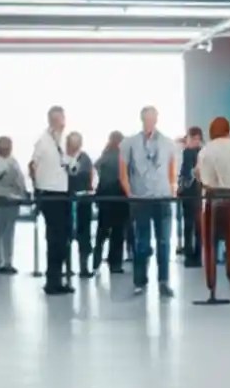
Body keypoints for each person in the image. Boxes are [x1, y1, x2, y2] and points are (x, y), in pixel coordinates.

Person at [120, 106, 178, 298]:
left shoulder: (168, 143)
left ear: (157, 119)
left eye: (152, 119)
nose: (150, 123)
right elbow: (124, 172)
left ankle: (163, 281)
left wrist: (172, 189)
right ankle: (139, 281)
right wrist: (130, 194)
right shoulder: (130, 143)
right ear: (142, 119)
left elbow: (172, 170)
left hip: (162, 198)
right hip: (141, 199)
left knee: (164, 242)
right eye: (147, 119)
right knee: (141, 242)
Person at [196, 117, 230, 295]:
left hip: (213, 200)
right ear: (229, 130)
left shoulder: (206, 151)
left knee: (209, 243)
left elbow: (203, 179)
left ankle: (211, 282)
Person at [30, 106, 74, 296]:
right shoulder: (43, 141)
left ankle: (57, 278)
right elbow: (33, 165)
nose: (61, 123)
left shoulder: (61, 142)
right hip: (51, 193)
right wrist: (38, 188)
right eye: (58, 119)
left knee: (63, 238)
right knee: (55, 239)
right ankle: (53, 281)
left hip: (62, 193)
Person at [0, 136, 29, 275]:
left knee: (7, 232)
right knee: (2, 232)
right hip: (2, 199)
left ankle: (6, 261)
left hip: (9, 199)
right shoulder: (0, 162)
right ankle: (2, 261)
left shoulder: (9, 161)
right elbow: (17, 180)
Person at [93, 131, 127, 275]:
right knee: (118, 233)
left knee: (102, 231)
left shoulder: (104, 156)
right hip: (120, 198)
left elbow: (96, 170)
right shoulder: (123, 157)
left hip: (104, 198)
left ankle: (96, 260)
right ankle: (115, 263)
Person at [66, 132, 96, 279]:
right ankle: (68, 267)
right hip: (67, 201)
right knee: (66, 235)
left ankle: (83, 266)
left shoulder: (84, 159)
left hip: (82, 201)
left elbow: (86, 176)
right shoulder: (65, 159)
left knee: (84, 236)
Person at [178, 127, 204, 267]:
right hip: (197, 192)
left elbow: (185, 174)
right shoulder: (202, 152)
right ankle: (196, 256)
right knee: (196, 226)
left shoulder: (187, 152)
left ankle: (190, 256)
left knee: (189, 225)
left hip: (191, 193)